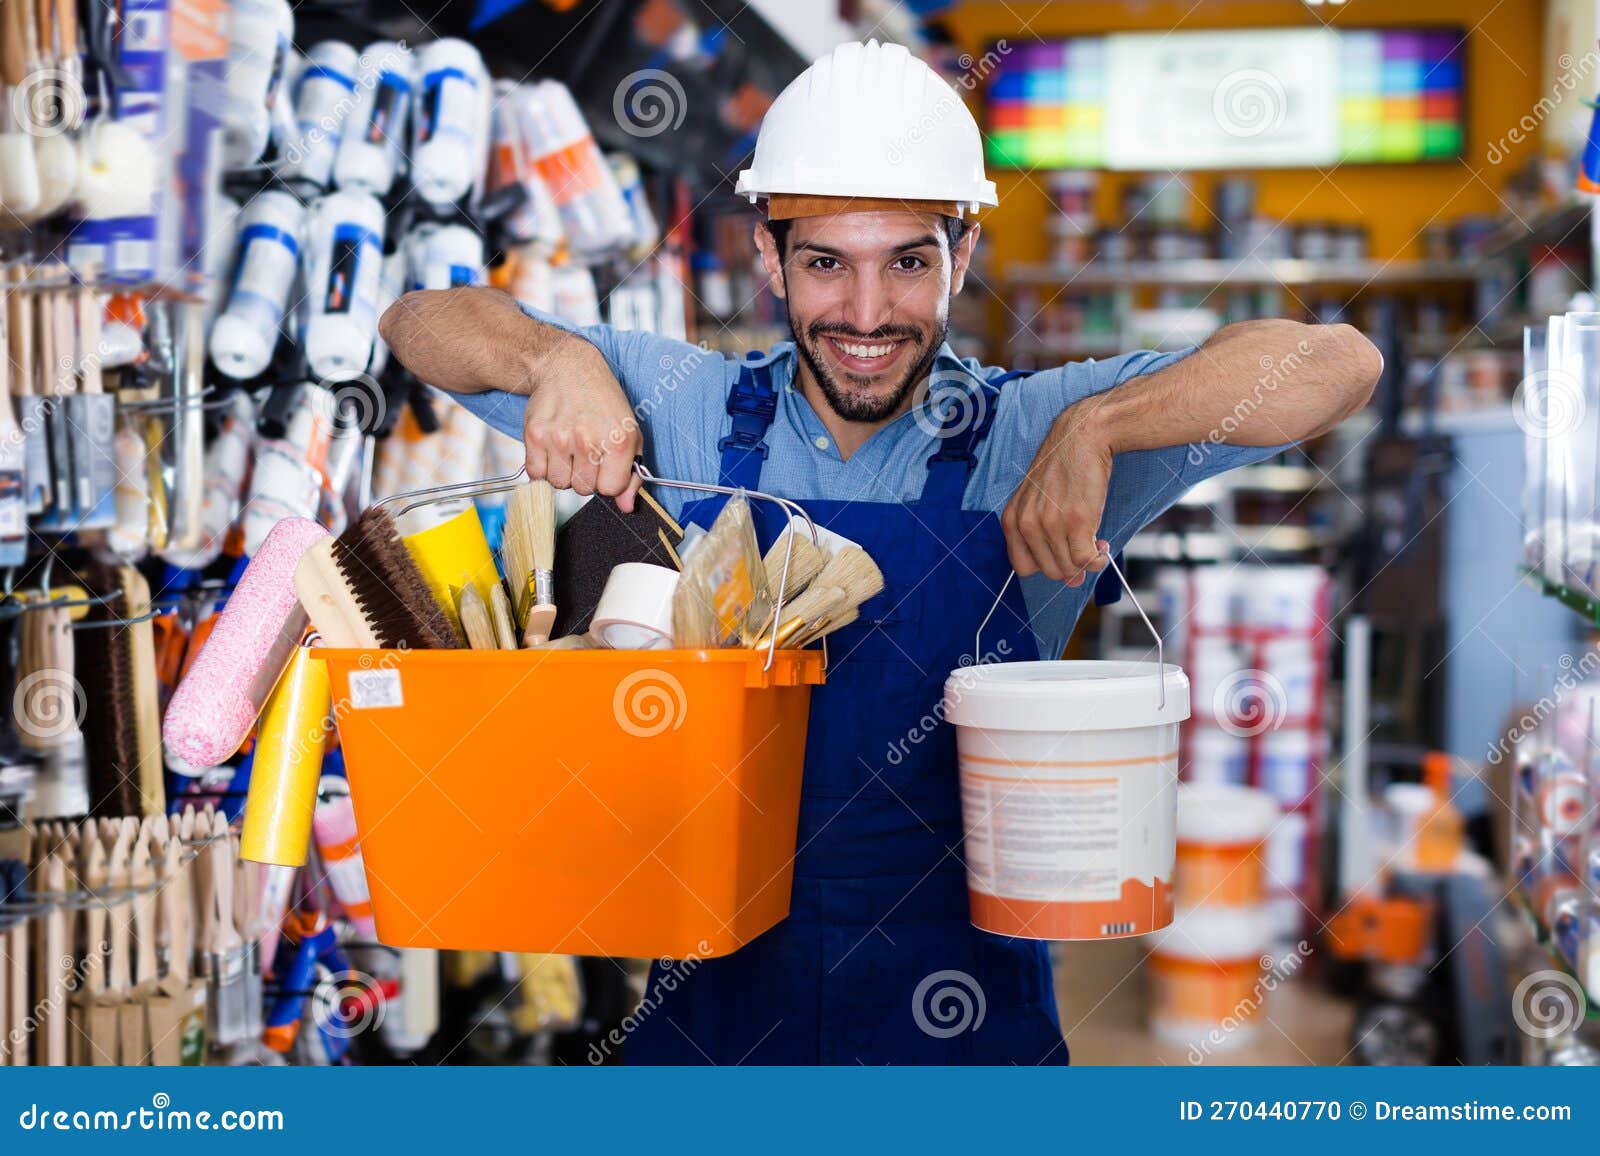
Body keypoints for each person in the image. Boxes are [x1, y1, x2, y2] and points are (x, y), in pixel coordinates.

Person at [379, 40, 1382, 1065]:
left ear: (963, 253)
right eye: (825, 262)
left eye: (907, 261)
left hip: (963, 1028)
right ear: (768, 257)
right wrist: (561, 358)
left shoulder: (1032, 429)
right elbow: (418, 321)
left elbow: (1336, 364)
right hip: (712, 1013)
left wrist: (1099, 429)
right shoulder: (682, 407)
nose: (866, 315)